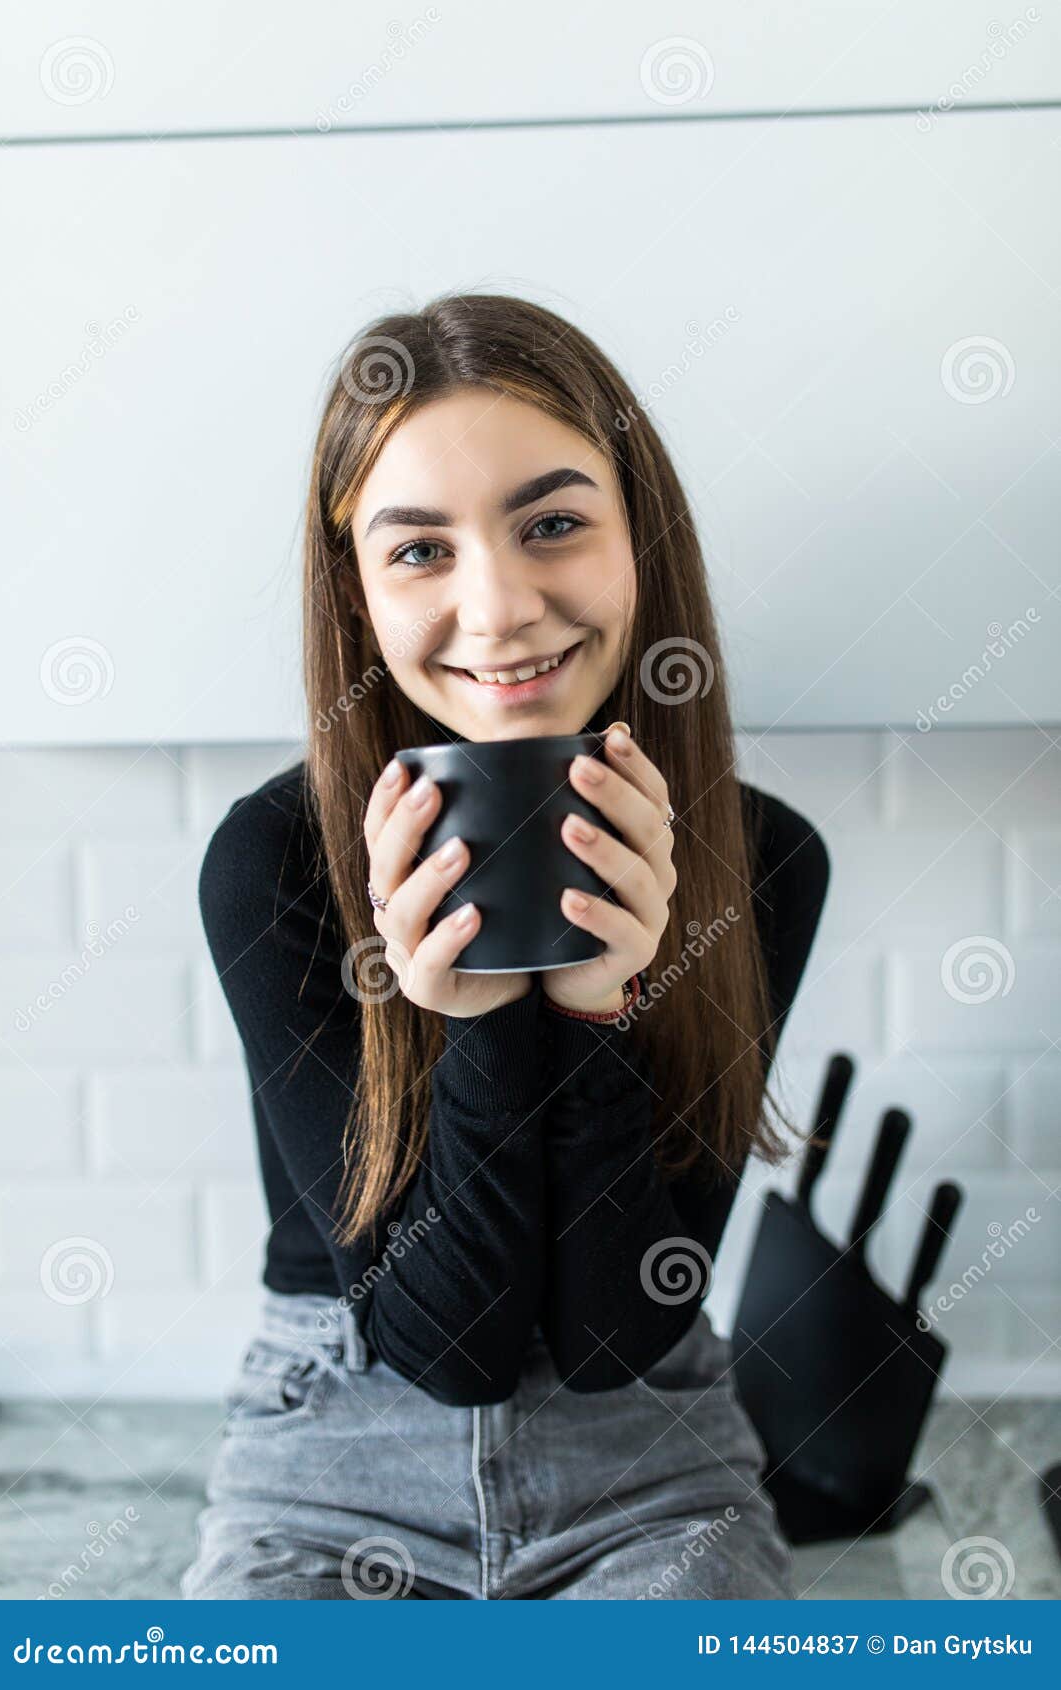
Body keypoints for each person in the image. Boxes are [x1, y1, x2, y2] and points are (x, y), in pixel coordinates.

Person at [180, 292, 830, 1601]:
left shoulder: (761, 861)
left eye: (552, 524)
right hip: (337, 1454)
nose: (503, 608)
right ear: (357, 593)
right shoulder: (275, 865)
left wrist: (601, 1007)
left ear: (637, 532)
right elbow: (448, 1344)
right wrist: (476, 1014)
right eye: (420, 551)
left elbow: (615, 1334)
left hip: (646, 1461)